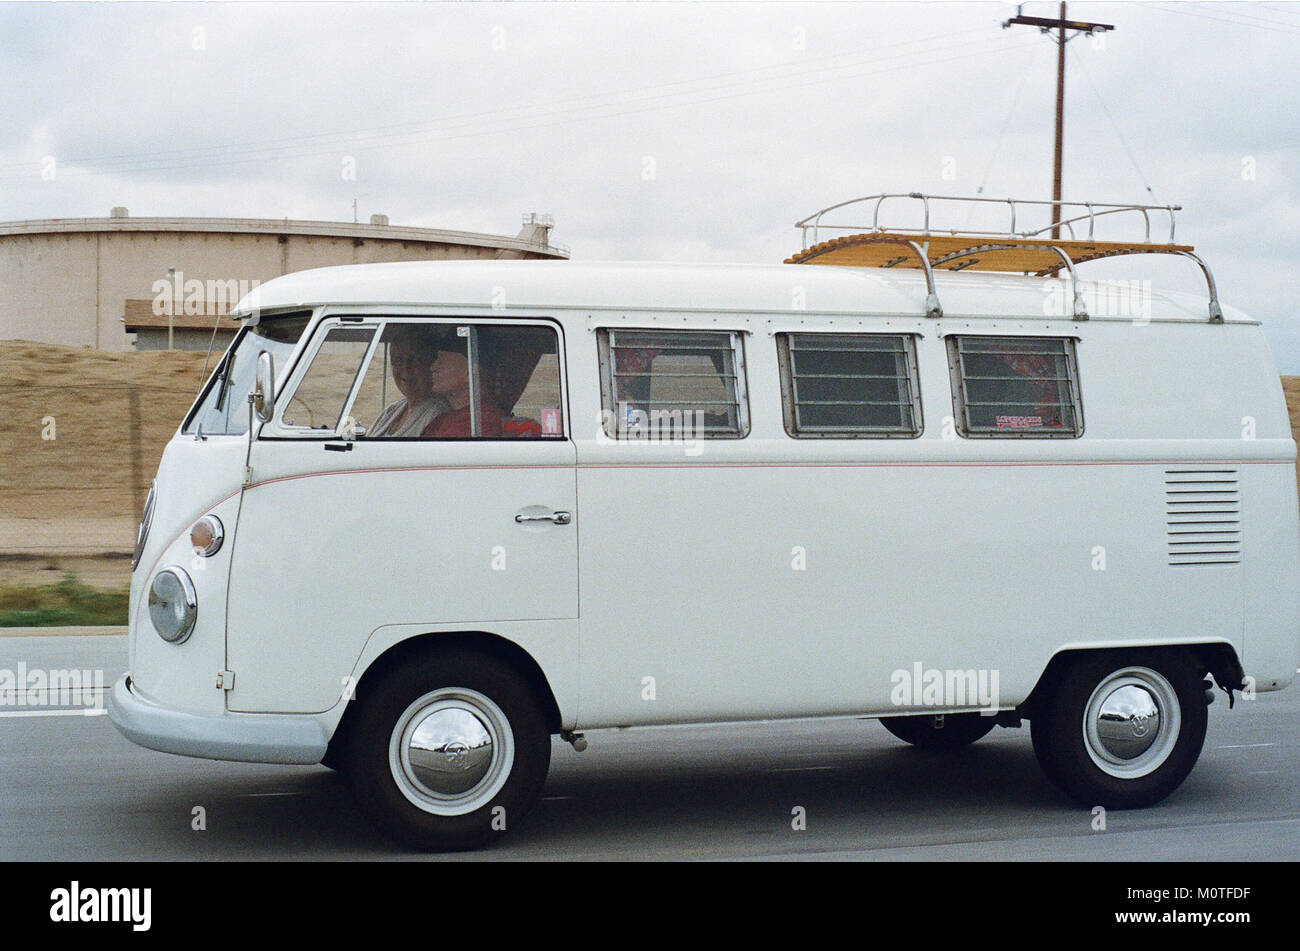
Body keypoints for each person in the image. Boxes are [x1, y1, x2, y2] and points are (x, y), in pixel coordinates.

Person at [369, 326, 449, 437]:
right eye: (399, 360)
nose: (406, 368)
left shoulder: (438, 414)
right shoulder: (391, 411)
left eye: (416, 360)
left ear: (431, 365)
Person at [421, 339, 505, 437]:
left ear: (469, 373)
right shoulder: (443, 419)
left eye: (442, 361)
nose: (432, 368)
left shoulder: (481, 422)